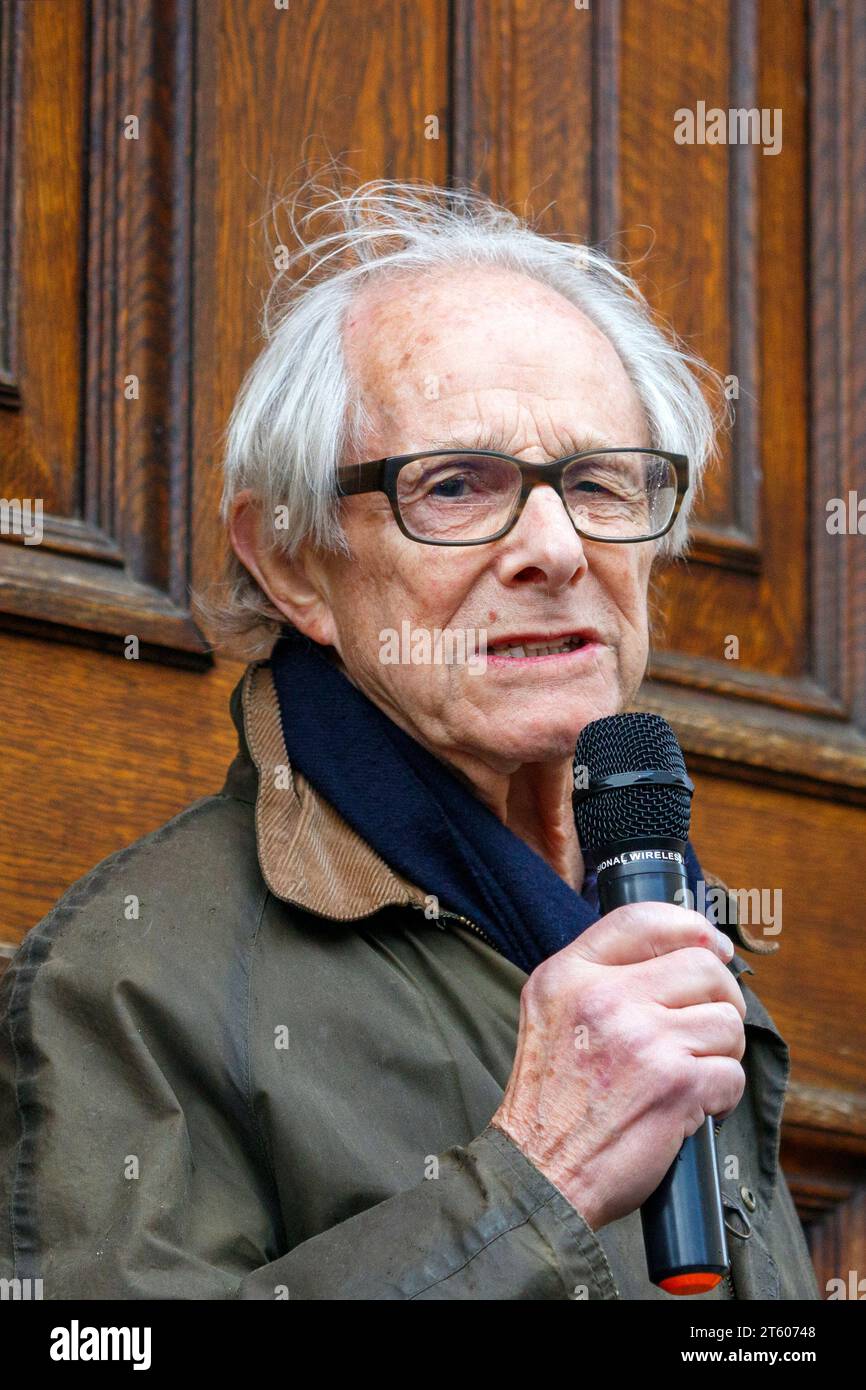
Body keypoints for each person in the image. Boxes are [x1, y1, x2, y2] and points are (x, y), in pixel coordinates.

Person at [0, 178, 819, 1300]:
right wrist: (534, 1181)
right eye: (455, 485)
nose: (556, 549)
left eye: (596, 482)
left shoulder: (666, 923)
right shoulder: (131, 981)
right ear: (293, 562)